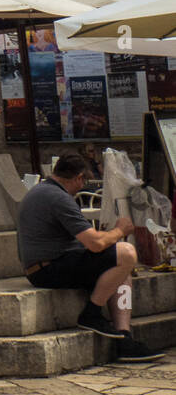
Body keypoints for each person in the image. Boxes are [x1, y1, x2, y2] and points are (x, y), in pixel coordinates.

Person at [17, 151, 159, 362]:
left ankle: (124, 337)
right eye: (83, 183)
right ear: (79, 177)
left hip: (48, 264)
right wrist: (120, 230)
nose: (81, 188)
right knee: (126, 252)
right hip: (48, 268)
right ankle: (91, 314)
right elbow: (95, 243)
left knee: (122, 270)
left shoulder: (42, 192)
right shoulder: (58, 198)